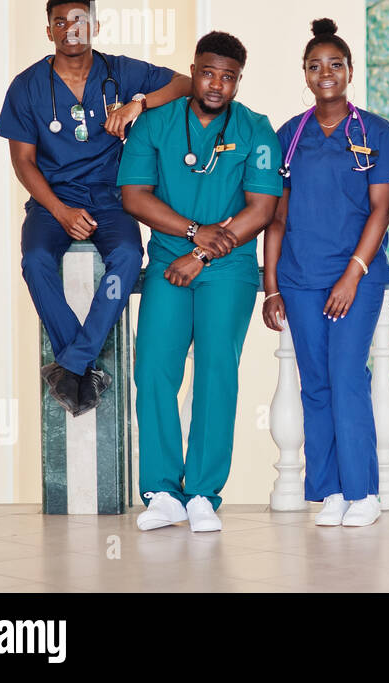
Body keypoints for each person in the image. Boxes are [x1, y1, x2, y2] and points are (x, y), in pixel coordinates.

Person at [0, 0, 191, 416]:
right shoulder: (27, 86)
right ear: (48, 30)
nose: (70, 29)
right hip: (53, 198)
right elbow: (24, 163)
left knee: (126, 255)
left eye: (79, 20)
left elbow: (186, 83)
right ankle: (84, 363)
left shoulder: (120, 72)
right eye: (60, 22)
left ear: (95, 26)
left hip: (110, 195)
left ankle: (71, 365)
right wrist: (61, 211)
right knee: (35, 262)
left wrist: (138, 103)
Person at [119, 31, 282, 533]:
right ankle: (163, 492)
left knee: (217, 372)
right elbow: (134, 196)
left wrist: (202, 254)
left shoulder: (256, 129)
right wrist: (192, 237)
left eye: (228, 76)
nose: (216, 84)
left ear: (238, 80)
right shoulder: (155, 124)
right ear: (194, 70)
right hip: (170, 261)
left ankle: (203, 494)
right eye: (208, 73)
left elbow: (261, 208)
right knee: (153, 371)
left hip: (227, 269)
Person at [262, 19, 389, 528]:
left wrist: (353, 273)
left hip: (355, 278)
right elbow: (276, 217)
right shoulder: (288, 136)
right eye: (316, 66)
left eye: (335, 65)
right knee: (314, 383)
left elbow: (381, 208)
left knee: (346, 377)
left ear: (350, 71)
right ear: (305, 73)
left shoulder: (376, 131)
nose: (326, 74)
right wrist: (272, 286)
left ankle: (364, 492)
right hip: (299, 278)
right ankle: (331, 490)